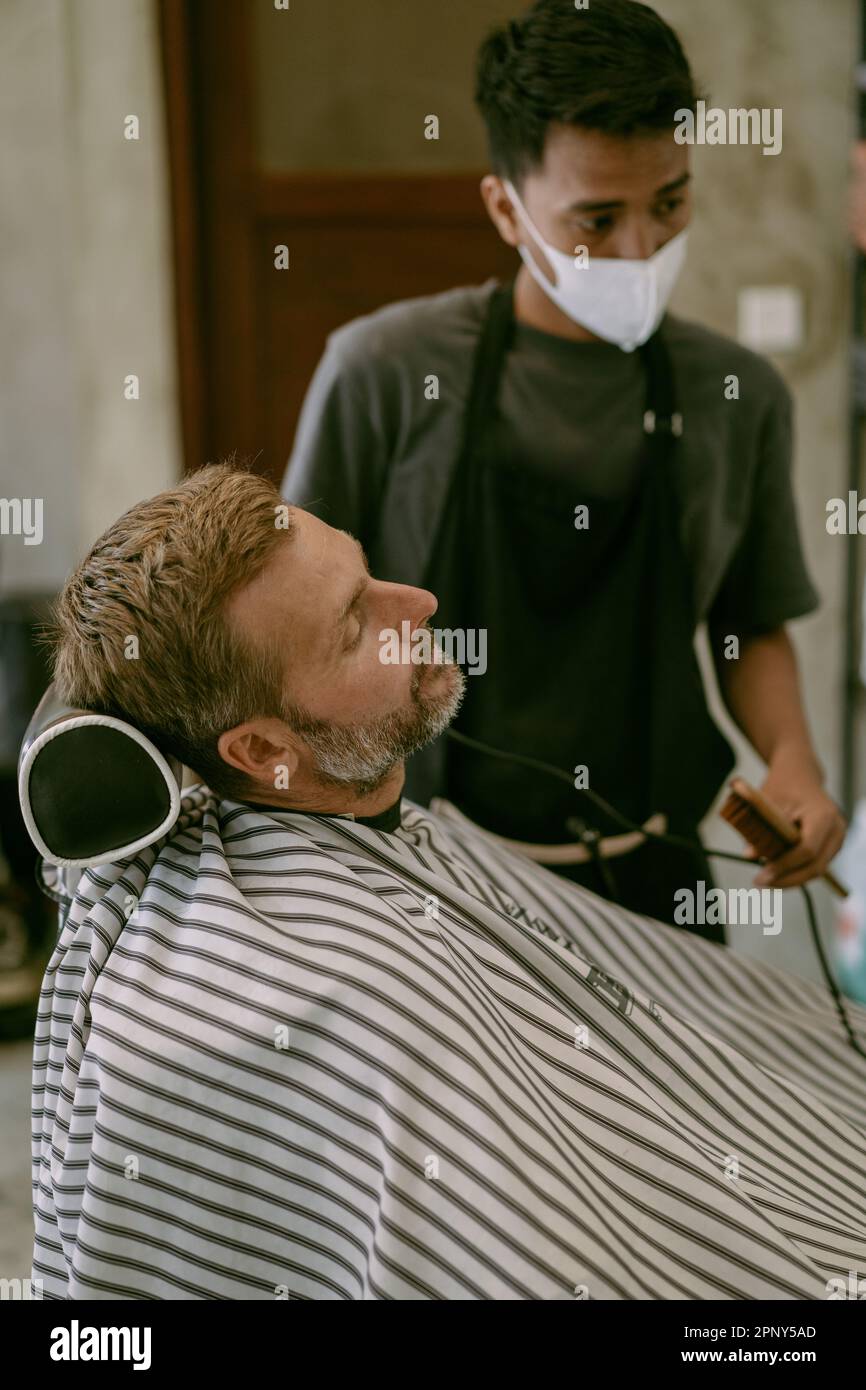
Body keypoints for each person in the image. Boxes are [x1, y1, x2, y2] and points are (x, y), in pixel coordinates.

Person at [32, 464, 866, 1300]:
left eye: (367, 571)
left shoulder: (373, 831)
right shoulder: (346, 993)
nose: (420, 602)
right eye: (357, 624)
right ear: (262, 752)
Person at [281, 0, 845, 937]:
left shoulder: (737, 397)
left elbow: (750, 621)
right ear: (507, 208)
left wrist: (795, 762)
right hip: (425, 879)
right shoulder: (383, 372)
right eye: (596, 218)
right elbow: (295, 626)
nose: (642, 249)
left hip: (654, 884)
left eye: (669, 202)